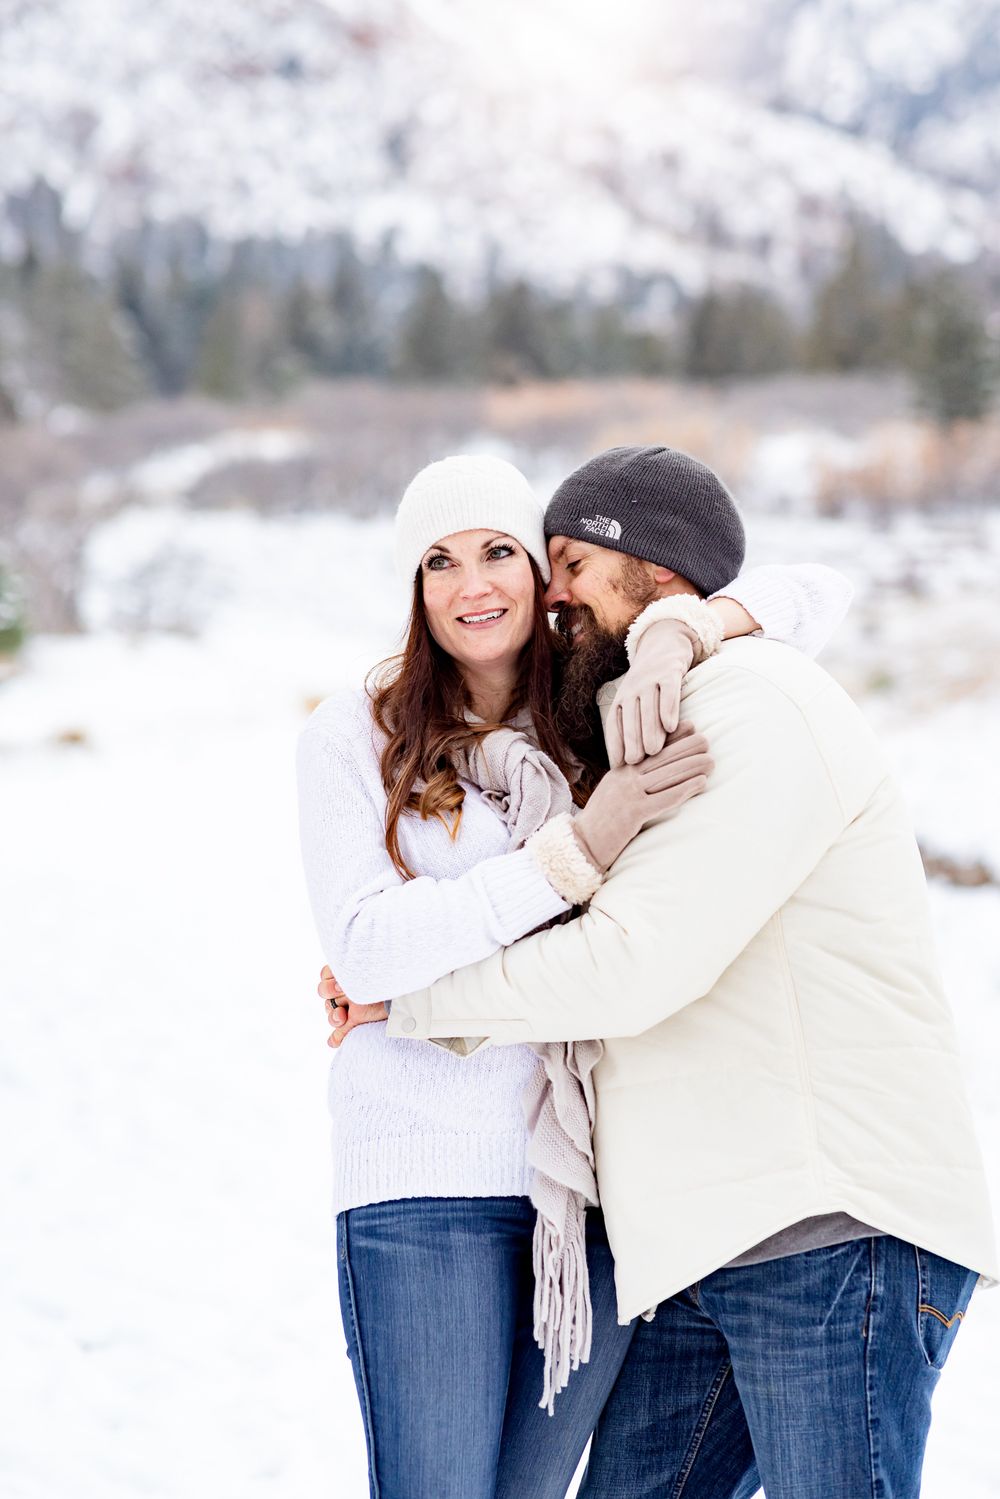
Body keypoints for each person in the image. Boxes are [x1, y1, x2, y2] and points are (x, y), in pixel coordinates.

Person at [353, 445, 999, 1499]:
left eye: (571, 564)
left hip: (830, 1231)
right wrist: (680, 629)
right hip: (705, 1248)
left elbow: (633, 962)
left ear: (656, 571)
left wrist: (417, 1002)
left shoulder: (756, 702)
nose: (549, 594)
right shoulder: (649, 708)